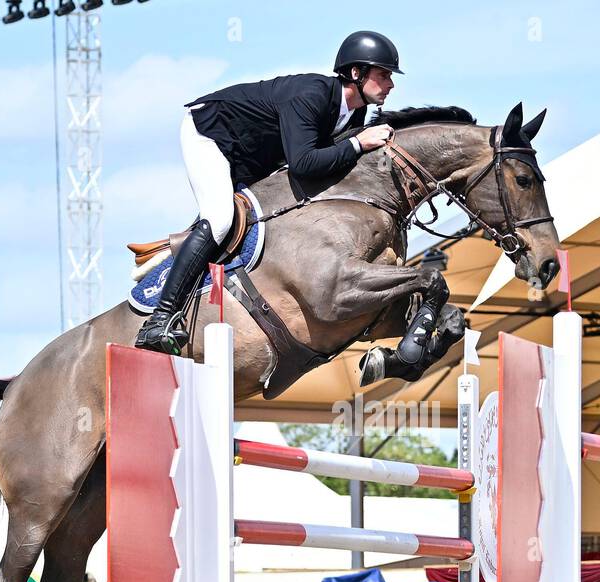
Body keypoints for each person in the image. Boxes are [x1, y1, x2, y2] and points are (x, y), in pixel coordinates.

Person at [134, 30, 402, 355]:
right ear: (356, 73)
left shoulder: (354, 112)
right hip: (213, 134)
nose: (390, 84)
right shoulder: (313, 94)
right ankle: (159, 321)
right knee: (220, 220)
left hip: (254, 155)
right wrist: (359, 143)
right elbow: (304, 163)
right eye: (383, 74)